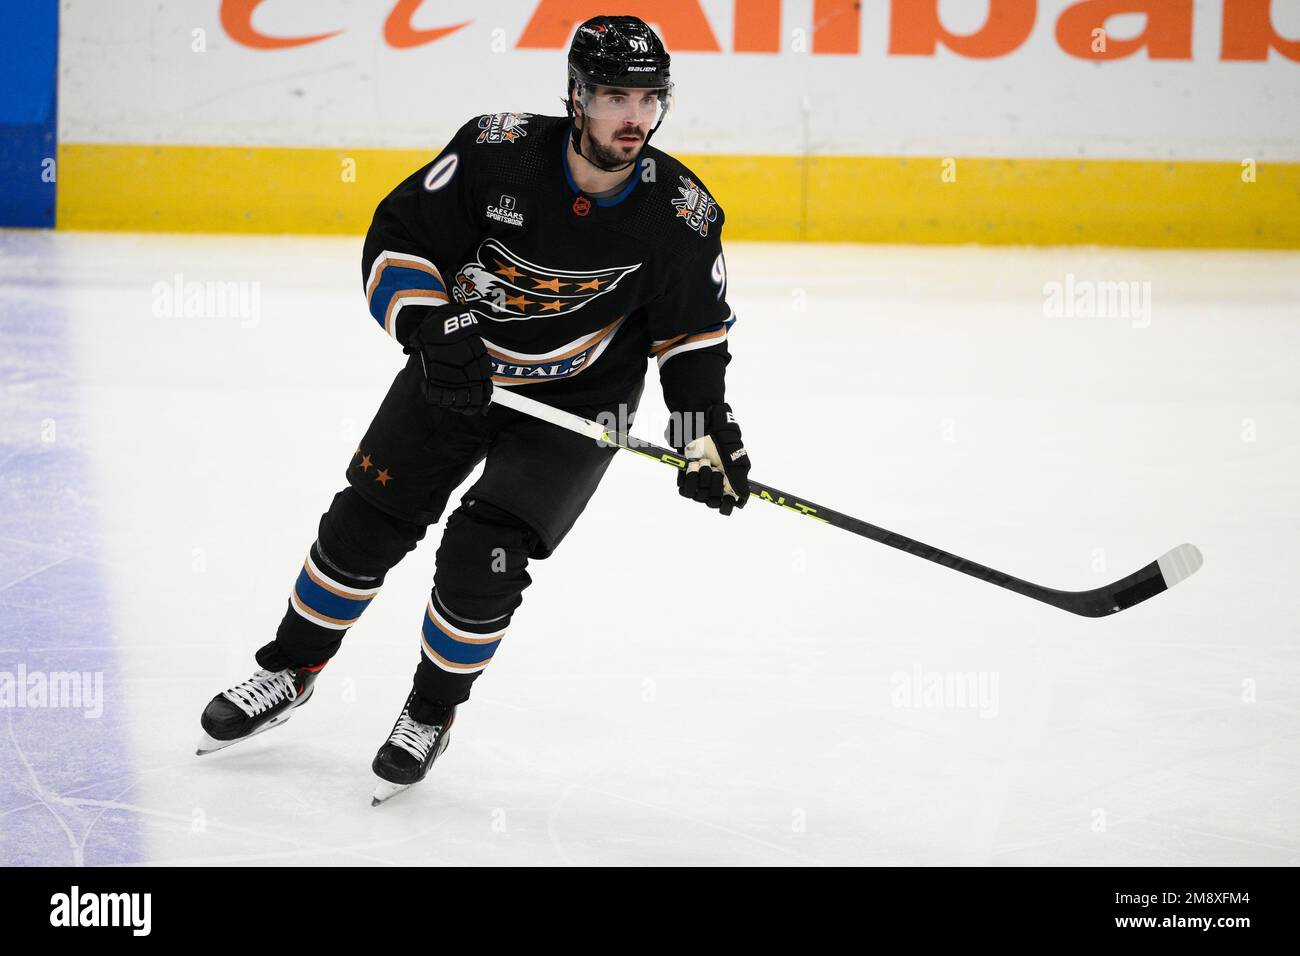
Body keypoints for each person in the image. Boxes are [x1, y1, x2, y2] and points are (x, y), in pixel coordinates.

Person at [197, 15, 752, 804]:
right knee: (366, 522)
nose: (634, 118)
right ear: (576, 96)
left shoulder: (680, 215)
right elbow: (396, 243)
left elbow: (692, 338)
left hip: (581, 403)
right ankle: (288, 669)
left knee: (480, 557)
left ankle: (429, 714)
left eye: (649, 99)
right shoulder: (498, 152)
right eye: (614, 97)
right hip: (459, 373)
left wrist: (703, 438)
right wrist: (430, 329)